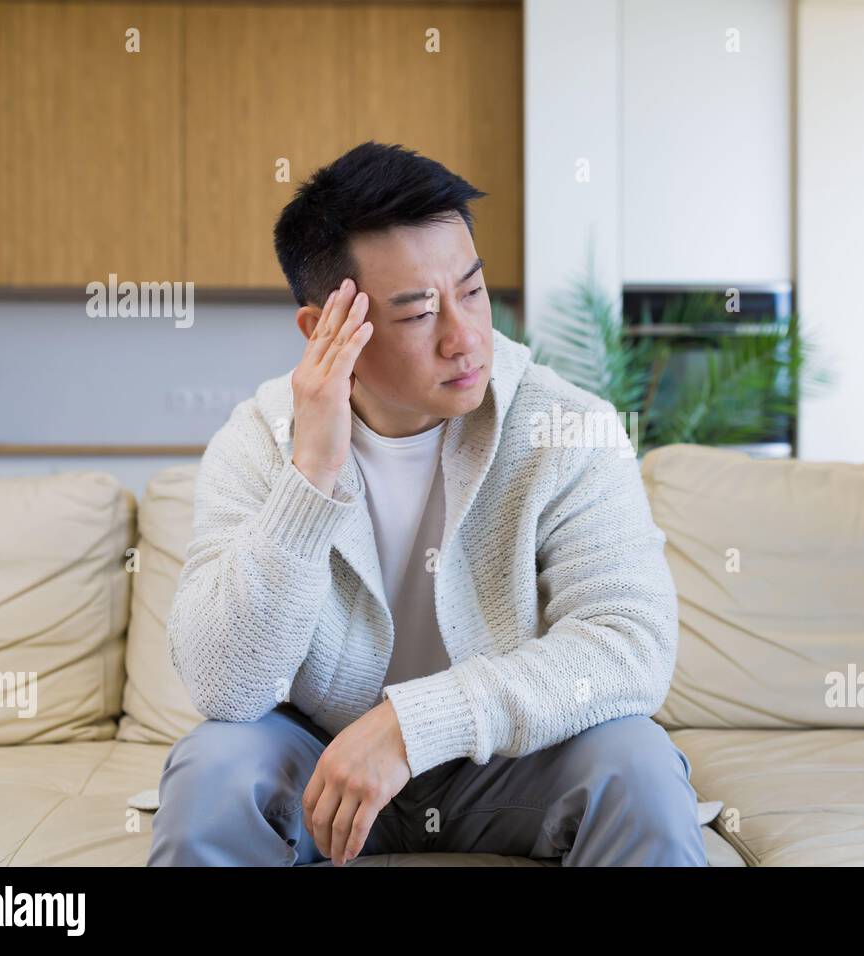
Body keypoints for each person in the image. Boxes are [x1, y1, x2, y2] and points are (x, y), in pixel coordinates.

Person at [147, 141, 706, 867]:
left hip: (505, 763)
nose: (466, 337)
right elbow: (227, 686)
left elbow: (630, 643)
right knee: (214, 770)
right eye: (416, 314)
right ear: (324, 331)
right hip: (325, 768)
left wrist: (414, 727)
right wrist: (310, 475)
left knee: (638, 763)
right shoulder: (256, 442)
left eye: (471, 292)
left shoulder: (568, 428)